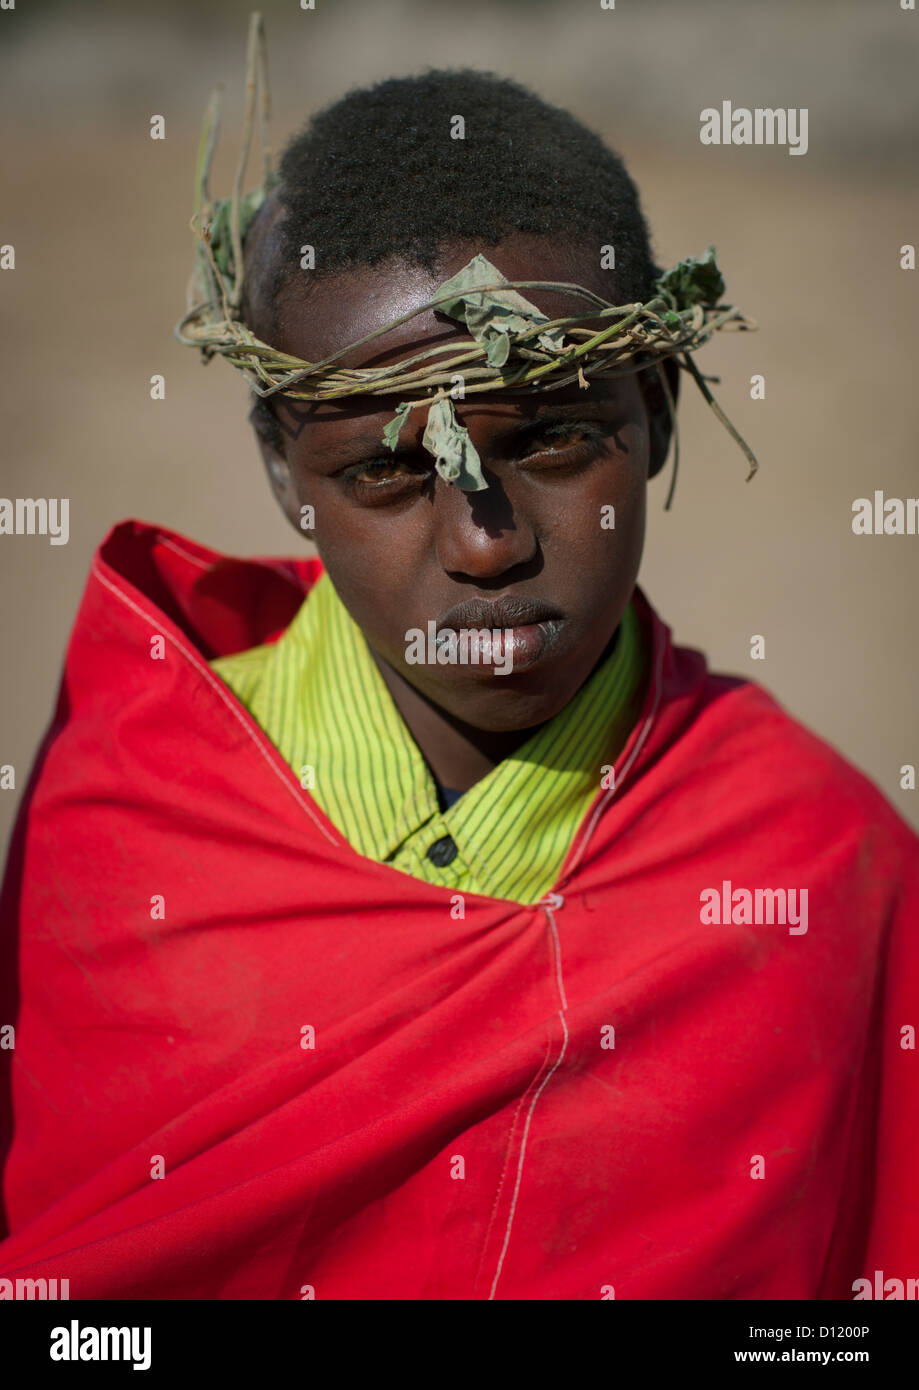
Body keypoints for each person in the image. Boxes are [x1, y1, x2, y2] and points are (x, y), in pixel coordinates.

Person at [0, 58, 916, 1303]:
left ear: (655, 413)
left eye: (549, 440)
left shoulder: (819, 871)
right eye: (385, 470)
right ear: (283, 471)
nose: (485, 542)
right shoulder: (114, 828)